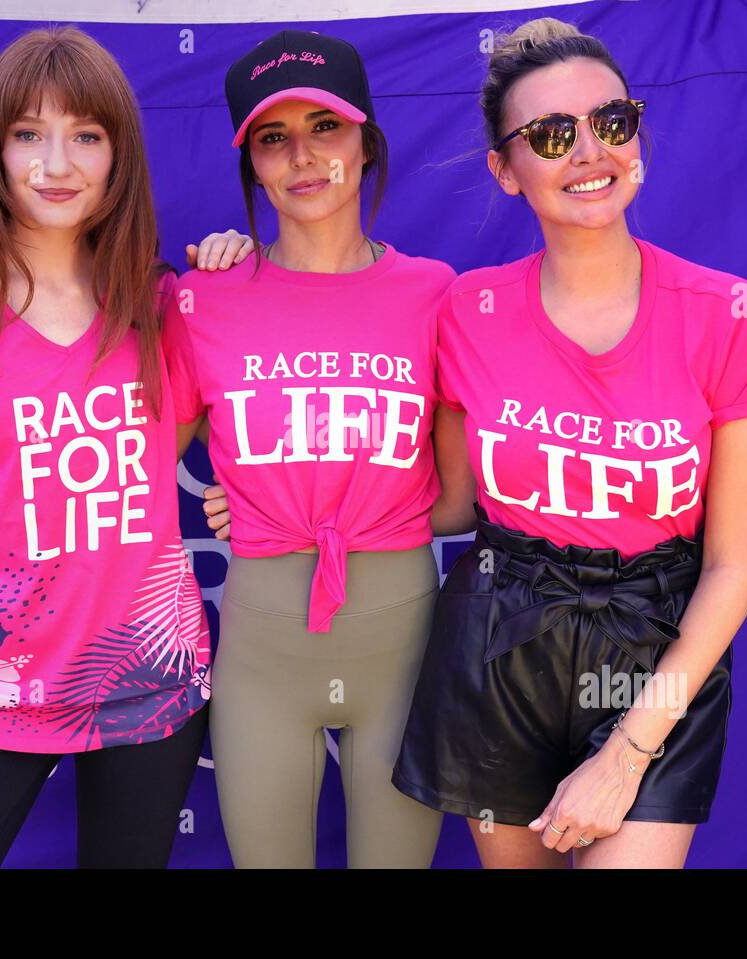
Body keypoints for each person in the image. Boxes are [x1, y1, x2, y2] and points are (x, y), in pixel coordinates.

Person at [390, 17, 747, 868]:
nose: (588, 151)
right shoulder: (466, 311)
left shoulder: (730, 314)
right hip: (500, 641)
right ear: (506, 170)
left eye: (610, 122)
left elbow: (732, 567)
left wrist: (628, 752)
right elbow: (451, 501)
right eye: (550, 134)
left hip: (656, 647)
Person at [0, 25, 227, 868]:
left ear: (117, 154)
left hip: (149, 679)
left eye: (85, 136)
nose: (55, 164)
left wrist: (232, 275)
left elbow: (231, 436)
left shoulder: (165, 305)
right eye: (28, 133)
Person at [159, 29, 474, 868]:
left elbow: (459, 499)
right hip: (264, 649)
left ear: (366, 140)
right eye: (273, 138)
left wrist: (325, 490)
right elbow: (130, 468)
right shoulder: (206, 300)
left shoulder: (435, 294)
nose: (302, 156)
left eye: (324, 128)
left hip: (400, 639)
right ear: (252, 165)